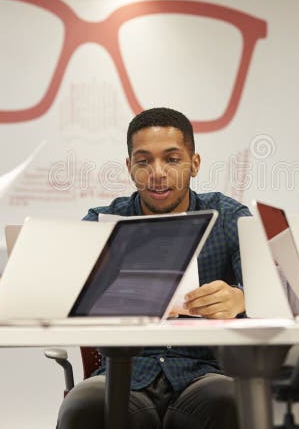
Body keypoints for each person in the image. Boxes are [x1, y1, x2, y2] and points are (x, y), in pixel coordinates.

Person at [57, 107, 249, 429]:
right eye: (143, 161)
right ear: (130, 167)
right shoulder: (101, 223)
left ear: (194, 164)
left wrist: (241, 298)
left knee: (230, 402)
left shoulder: (228, 216)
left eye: (172, 159)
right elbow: (65, 296)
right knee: (83, 407)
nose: (157, 172)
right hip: (123, 372)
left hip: (204, 372)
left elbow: (273, 289)